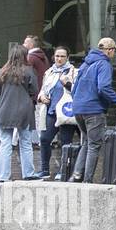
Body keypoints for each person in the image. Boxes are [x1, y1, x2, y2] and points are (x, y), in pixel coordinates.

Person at [69, 37, 116, 183]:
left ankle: (76, 175)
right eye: (113, 51)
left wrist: (77, 102)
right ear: (109, 50)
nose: (114, 54)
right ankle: (87, 181)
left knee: (87, 142)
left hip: (78, 109)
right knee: (94, 145)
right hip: (93, 109)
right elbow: (103, 87)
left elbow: (74, 88)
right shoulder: (104, 64)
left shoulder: (85, 64)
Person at [0, 44, 41, 183]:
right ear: (25, 56)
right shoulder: (29, 71)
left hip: (5, 110)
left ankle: (3, 176)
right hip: (24, 110)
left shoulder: (2, 72)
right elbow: (34, 91)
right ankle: (28, 173)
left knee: (5, 143)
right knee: (25, 142)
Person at [36, 46, 77, 180]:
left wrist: (67, 84)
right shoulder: (49, 72)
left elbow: (77, 91)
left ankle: (63, 171)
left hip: (66, 111)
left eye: (62, 56)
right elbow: (43, 89)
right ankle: (45, 170)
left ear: (67, 58)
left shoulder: (73, 72)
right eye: (57, 56)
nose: (59, 59)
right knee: (44, 139)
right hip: (51, 111)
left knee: (65, 142)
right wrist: (41, 97)